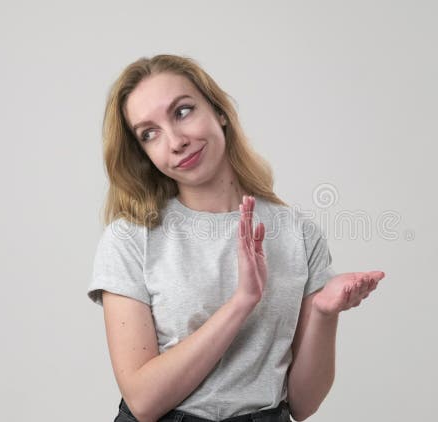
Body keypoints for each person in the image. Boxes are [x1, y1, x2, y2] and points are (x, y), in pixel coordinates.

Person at [87, 54, 385, 422]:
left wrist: (325, 312)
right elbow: (143, 402)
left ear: (219, 111)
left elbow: (304, 404)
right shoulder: (131, 238)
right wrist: (242, 302)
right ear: (143, 152)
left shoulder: (297, 233)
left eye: (182, 112)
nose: (176, 141)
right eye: (150, 133)